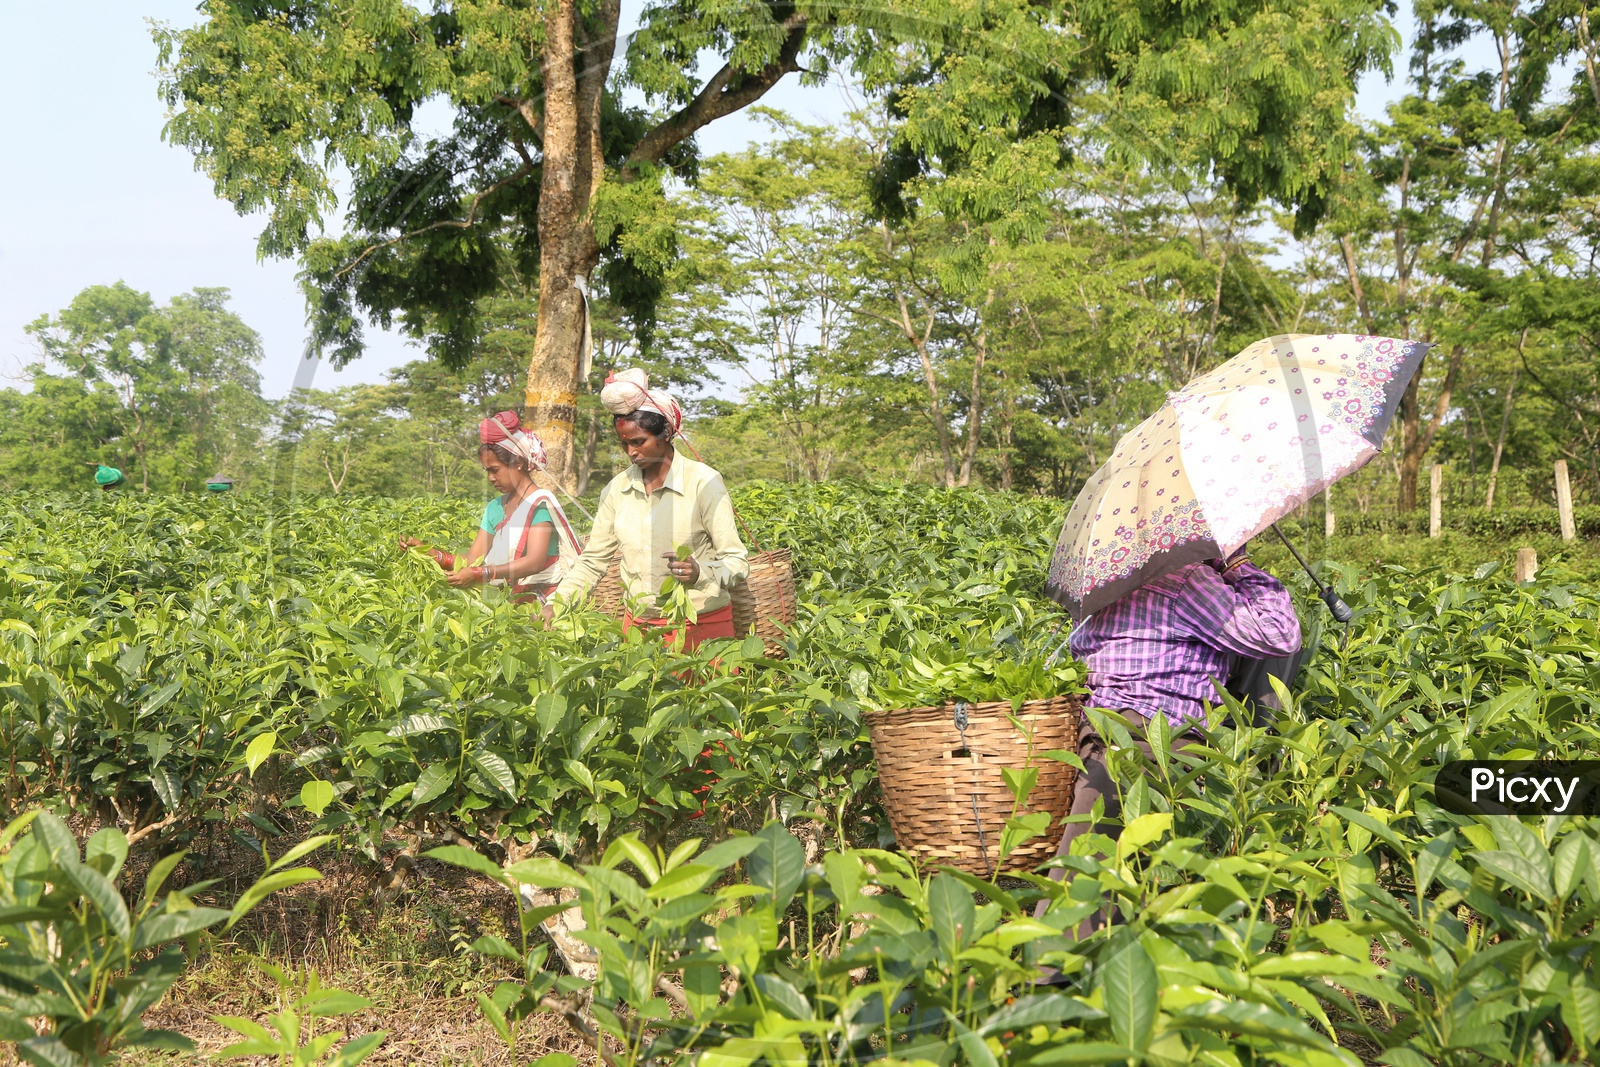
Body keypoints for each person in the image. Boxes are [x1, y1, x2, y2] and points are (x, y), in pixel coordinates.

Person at [1040, 548, 1302, 929]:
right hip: (1153, 732)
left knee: (1102, 865)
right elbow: (1280, 633)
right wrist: (1239, 566)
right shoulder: (1188, 581)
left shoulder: (1111, 573)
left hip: (1104, 722)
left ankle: (1082, 971)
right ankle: (1052, 977)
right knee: (1089, 878)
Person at [546, 368, 749, 651]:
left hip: (701, 627)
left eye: (639, 442)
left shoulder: (704, 483)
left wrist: (699, 572)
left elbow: (736, 562)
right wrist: (557, 604)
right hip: (640, 630)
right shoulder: (616, 490)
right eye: (624, 443)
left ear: (665, 433)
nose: (630, 452)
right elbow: (592, 561)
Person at [402, 412, 581, 602]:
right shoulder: (495, 508)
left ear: (518, 463)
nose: (491, 478)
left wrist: (482, 574)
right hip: (508, 599)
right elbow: (473, 559)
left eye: (495, 470)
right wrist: (430, 553)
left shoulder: (539, 503)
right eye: (487, 471)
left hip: (545, 598)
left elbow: (534, 562)